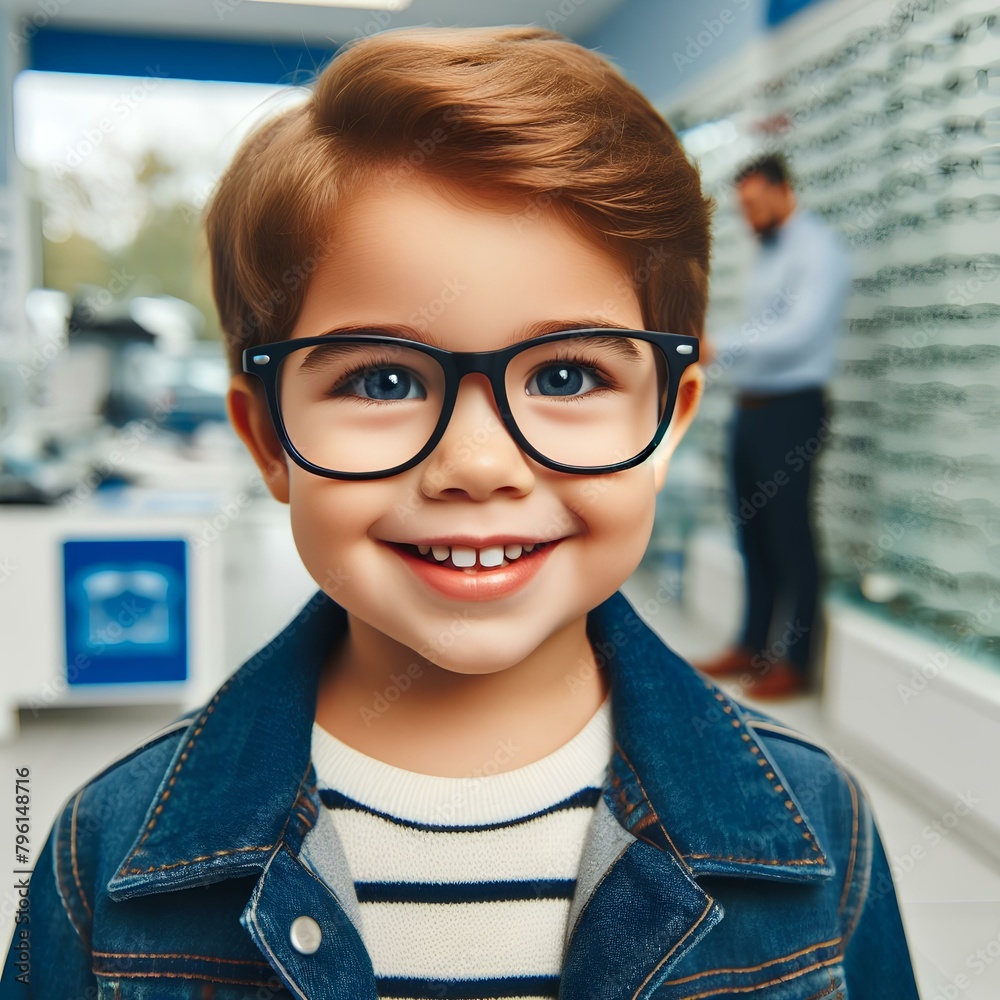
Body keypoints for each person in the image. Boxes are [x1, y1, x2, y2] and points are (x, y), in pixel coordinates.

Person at [2, 28, 918, 999]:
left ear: (663, 422)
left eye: (567, 374)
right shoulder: (107, 856)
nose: (477, 464)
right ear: (268, 438)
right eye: (382, 377)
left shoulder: (822, 835)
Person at [698, 153, 852, 699]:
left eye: (754, 203)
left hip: (791, 409)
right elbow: (766, 326)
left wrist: (721, 346)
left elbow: (800, 332)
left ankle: (798, 663)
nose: (748, 215)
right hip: (752, 407)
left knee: (791, 538)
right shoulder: (769, 249)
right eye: (742, 207)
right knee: (752, 532)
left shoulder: (818, 249)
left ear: (782, 189)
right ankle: (752, 646)